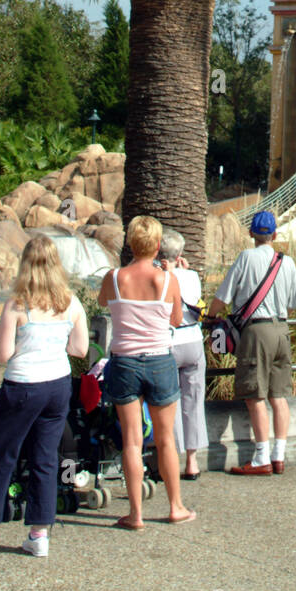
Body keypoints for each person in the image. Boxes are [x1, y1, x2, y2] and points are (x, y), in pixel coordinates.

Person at [0, 235, 88, 560]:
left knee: (0, 457)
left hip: (22, 386)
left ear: (25, 264)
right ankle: (38, 535)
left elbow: (2, 354)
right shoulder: (70, 302)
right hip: (57, 386)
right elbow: (80, 350)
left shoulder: (18, 303)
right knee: (45, 458)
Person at [98, 215, 196, 527]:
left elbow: (103, 302)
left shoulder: (114, 278)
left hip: (124, 361)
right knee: (166, 438)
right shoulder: (167, 280)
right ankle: (175, 506)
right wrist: (171, 277)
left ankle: (135, 514)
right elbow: (177, 320)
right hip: (158, 360)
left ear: (130, 243)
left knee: (131, 440)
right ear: (157, 246)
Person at [209, 209, 296, 476]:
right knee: (279, 396)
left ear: (251, 233)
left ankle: (261, 457)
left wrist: (211, 315)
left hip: (256, 332)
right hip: (282, 330)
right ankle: (279, 456)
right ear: (274, 234)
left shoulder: (245, 258)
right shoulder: (288, 262)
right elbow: (295, 304)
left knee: (254, 395)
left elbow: (223, 297)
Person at [158, 229, 208, 480]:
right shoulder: (191, 276)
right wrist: (184, 269)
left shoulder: (160, 277)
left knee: (171, 403)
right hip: (194, 342)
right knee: (194, 401)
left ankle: (172, 459)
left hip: (169, 342)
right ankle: (192, 461)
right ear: (179, 255)